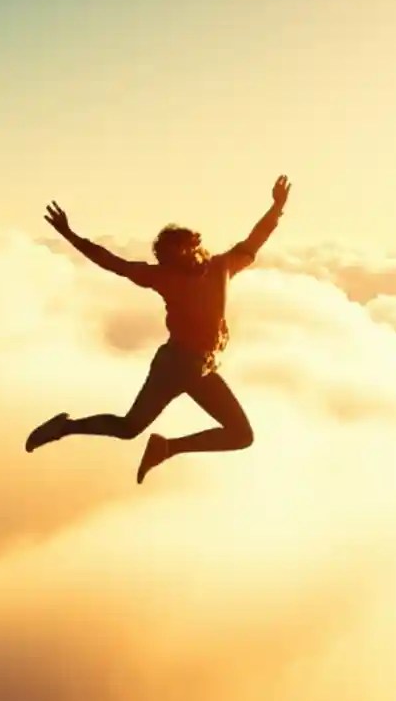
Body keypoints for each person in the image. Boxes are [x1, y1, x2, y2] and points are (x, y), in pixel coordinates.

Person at [25, 175, 292, 483]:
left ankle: (163, 447)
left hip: (198, 368)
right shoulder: (170, 277)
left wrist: (276, 207)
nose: (183, 258)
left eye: (183, 251)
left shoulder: (220, 267)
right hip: (176, 364)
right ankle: (67, 427)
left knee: (236, 435)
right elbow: (112, 262)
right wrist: (70, 235)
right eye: (174, 256)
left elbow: (255, 239)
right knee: (132, 428)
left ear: (194, 246)